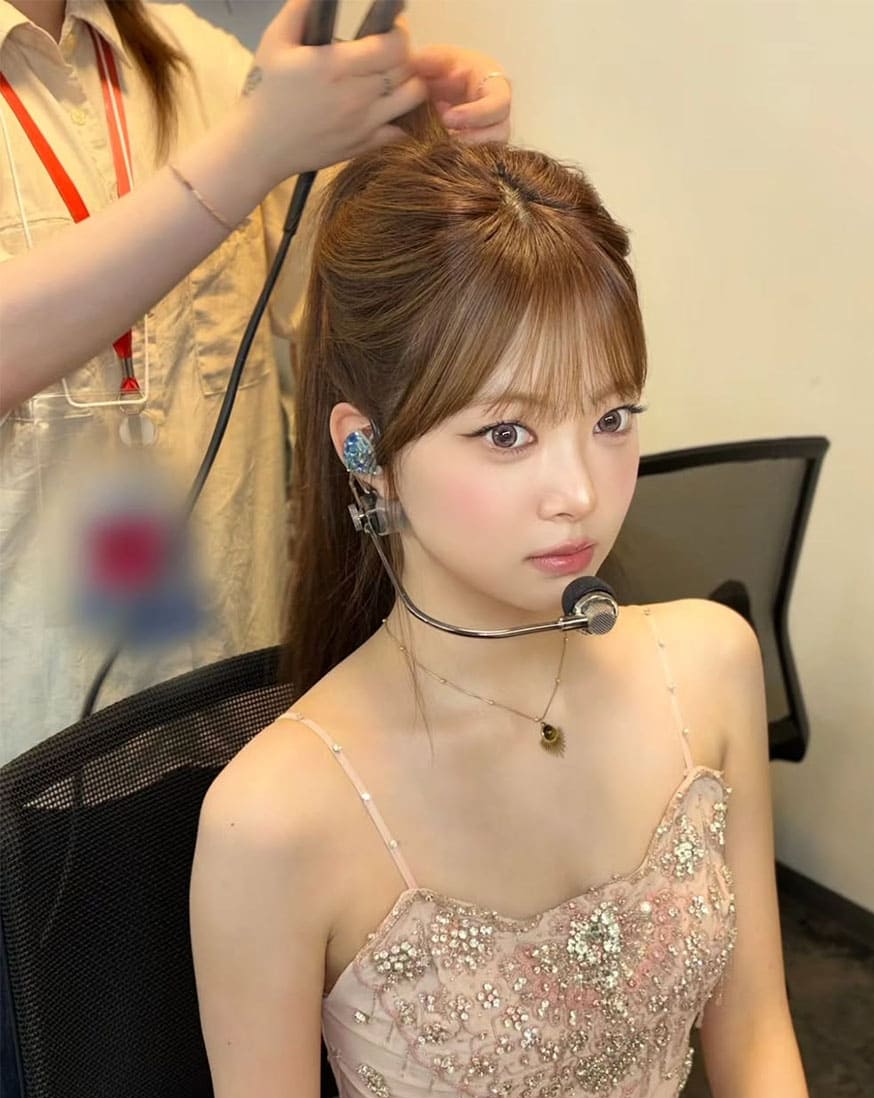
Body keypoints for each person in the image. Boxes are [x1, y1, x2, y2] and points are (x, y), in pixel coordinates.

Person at [159, 118, 835, 1098]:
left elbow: (756, 1033)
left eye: (612, 418)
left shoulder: (712, 665)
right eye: (508, 432)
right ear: (366, 449)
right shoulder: (279, 812)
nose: (579, 491)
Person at [0, 0, 510, 763]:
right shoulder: (239, 105)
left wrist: (421, 154)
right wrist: (252, 149)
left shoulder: (197, 60)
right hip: (32, 741)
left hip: (235, 699)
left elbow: (341, 311)